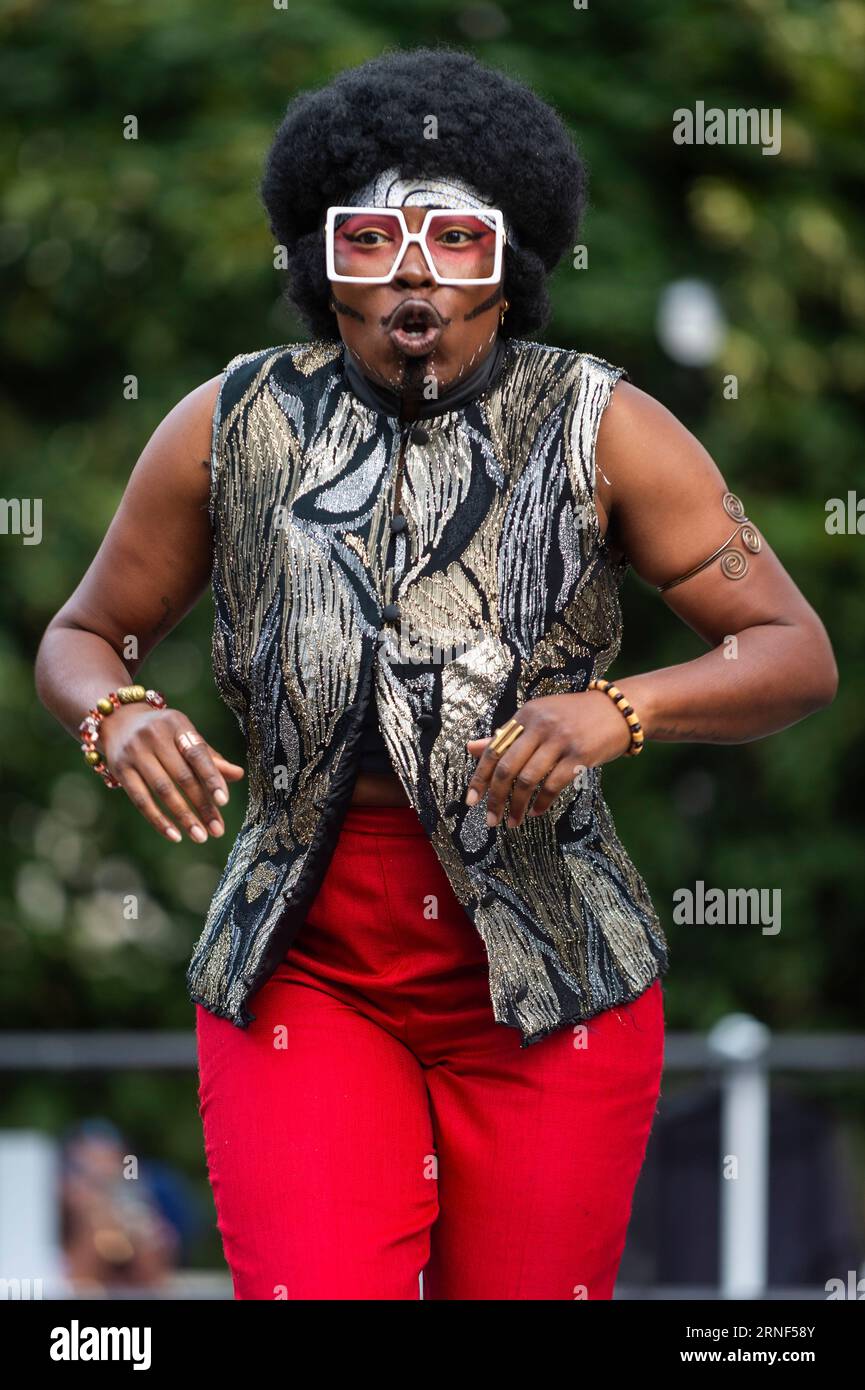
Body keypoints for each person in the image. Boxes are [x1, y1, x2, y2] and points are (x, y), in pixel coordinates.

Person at [35, 46, 837, 1300]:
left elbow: (791, 651)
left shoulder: (601, 423)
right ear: (321, 265)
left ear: (509, 266)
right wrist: (118, 711)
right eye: (373, 241)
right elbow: (82, 637)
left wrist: (617, 710)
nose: (415, 273)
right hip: (305, 963)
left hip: (551, 967)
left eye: (456, 240)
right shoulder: (226, 423)